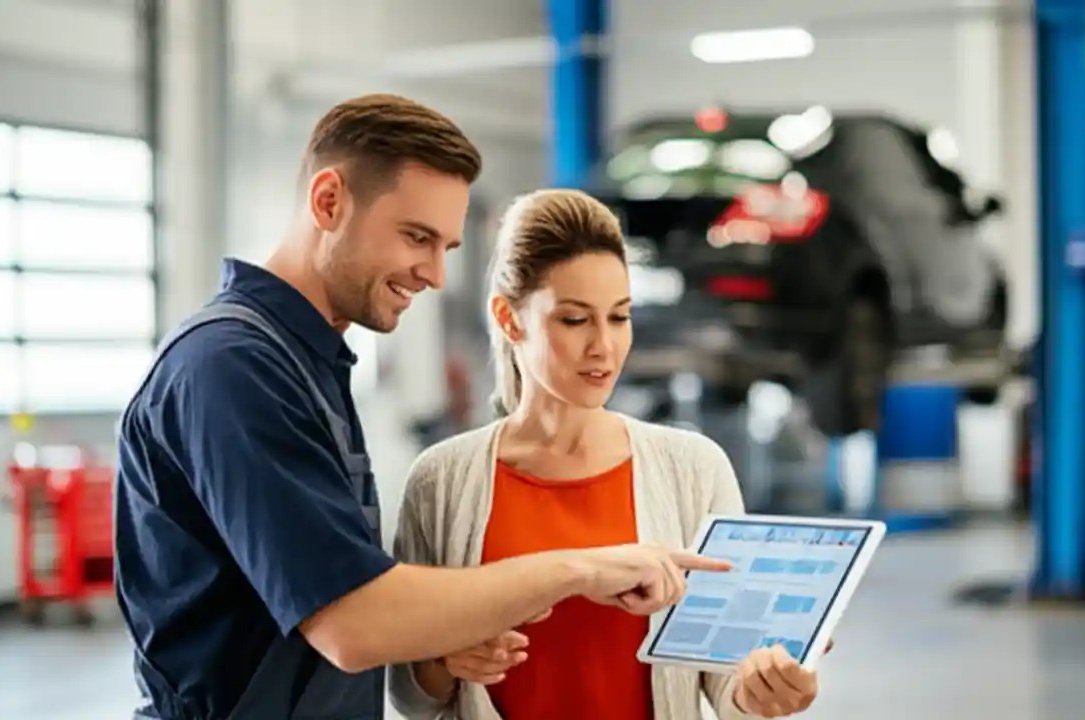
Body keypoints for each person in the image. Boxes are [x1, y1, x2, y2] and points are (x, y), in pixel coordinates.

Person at [113, 95, 729, 720]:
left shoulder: (305, 364)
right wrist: (579, 568)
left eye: (447, 247)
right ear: (329, 202)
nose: (435, 274)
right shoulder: (234, 369)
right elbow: (354, 623)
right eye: (417, 237)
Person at [388, 189, 824, 720]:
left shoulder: (692, 468)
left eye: (618, 318)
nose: (604, 346)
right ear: (509, 319)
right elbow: (411, 696)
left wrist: (765, 689)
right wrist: (448, 660)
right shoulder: (442, 483)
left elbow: (727, 682)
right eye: (574, 320)